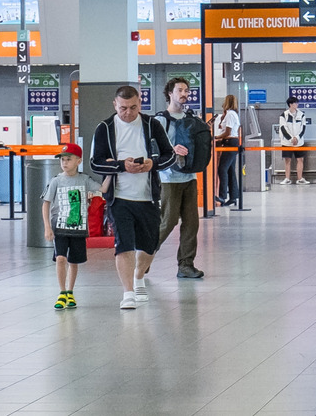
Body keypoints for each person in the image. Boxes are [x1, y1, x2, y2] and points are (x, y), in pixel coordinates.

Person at [90, 84, 177, 309]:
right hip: (118, 197)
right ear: (114, 105)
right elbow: (94, 162)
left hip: (147, 196)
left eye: (133, 107)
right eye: (123, 108)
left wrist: (152, 164)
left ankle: (139, 276)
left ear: (140, 104)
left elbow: (170, 156)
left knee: (149, 245)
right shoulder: (104, 128)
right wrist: (121, 166)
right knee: (124, 244)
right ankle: (127, 292)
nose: (128, 112)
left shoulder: (152, 125)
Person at [154, 77, 212, 280]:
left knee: (191, 223)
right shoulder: (160, 120)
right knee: (167, 222)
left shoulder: (192, 118)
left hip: (189, 177)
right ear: (170, 93)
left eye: (187, 90)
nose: (184, 94)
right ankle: (143, 257)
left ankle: (186, 265)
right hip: (169, 178)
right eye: (180, 90)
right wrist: (171, 149)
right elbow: (153, 148)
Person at [42, 142, 101, 310]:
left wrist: (111, 172)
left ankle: (70, 291)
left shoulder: (84, 180)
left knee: (74, 261)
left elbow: (102, 188)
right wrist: (47, 227)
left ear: (78, 161)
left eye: (68, 159)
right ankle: (61, 291)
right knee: (60, 258)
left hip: (78, 228)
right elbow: (46, 203)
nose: (64, 163)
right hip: (59, 226)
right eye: (62, 160)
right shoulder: (56, 181)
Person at [212, 94, 241, 205]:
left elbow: (228, 132)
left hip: (230, 143)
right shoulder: (233, 114)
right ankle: (233, 196)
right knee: (230, 170)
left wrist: (216, 137)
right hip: (232, 143)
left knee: (222, 169)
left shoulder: (230, 114)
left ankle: (222, 196)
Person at [276, 97, 309, 185]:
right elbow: (283, 128)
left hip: (299, 142)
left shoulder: (301, 115)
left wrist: (297, 138)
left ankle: (300, 178)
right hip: (287, 143)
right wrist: (291, 139)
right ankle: (287, 178)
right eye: (295, 103)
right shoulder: (283, 115)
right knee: (287, 160)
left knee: (300, 160)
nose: (297, 105)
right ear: (290, 104)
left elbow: (303, 128)